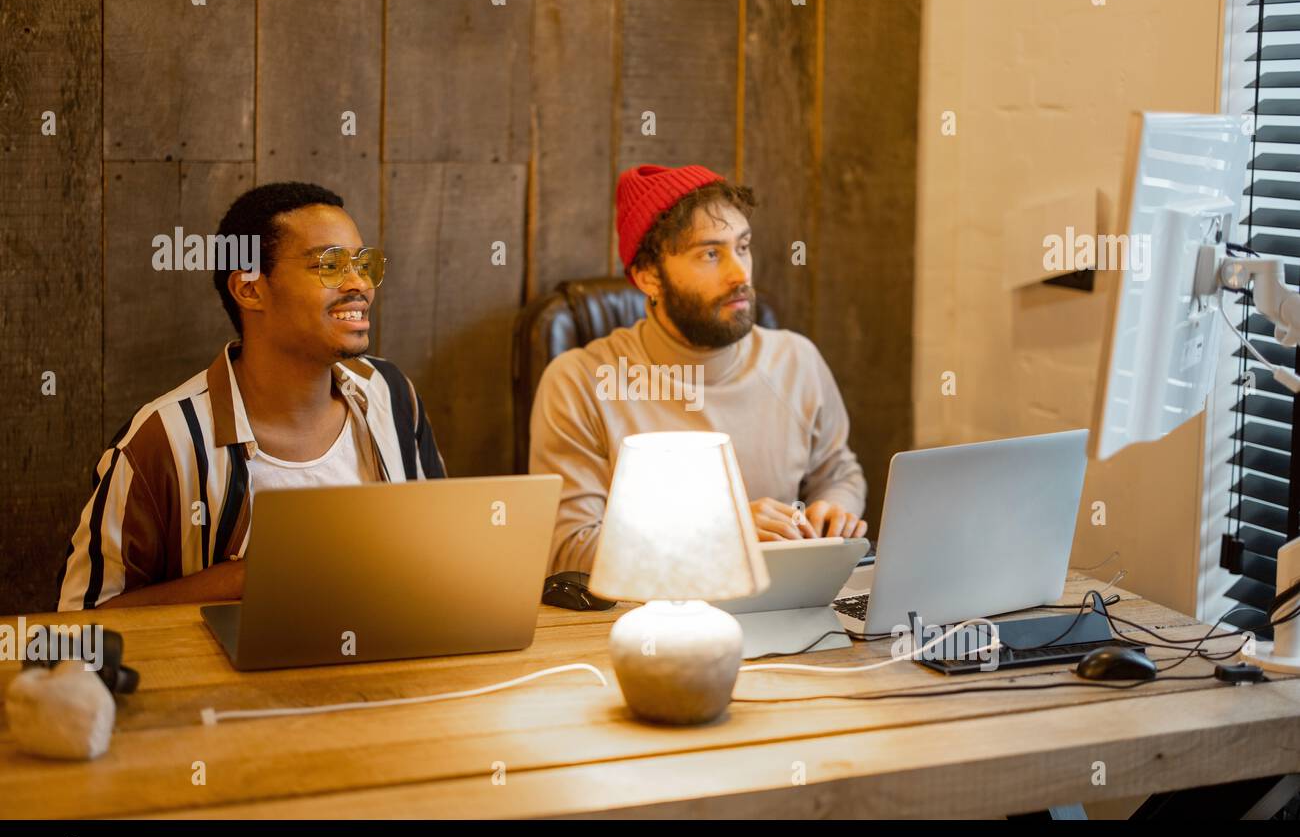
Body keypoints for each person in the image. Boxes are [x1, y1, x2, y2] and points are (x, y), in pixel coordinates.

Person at [57, 182, 444, 609]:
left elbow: (438, 546)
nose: (360, 284)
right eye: (330, 265)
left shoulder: (391, 393)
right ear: (249, 289)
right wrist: (246, 579)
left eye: (364, 264)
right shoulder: (165, 439)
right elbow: (80, 623)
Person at [530, 163, 867, 573]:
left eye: (743, 247)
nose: (739, 274)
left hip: (789, 606)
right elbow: (572, 548)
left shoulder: (797, 360)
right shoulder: (580, 382)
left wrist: (834, 510)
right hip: (649, 623)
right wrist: (724, 532)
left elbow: (838, 471)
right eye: (711, 253)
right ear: (648, 276)